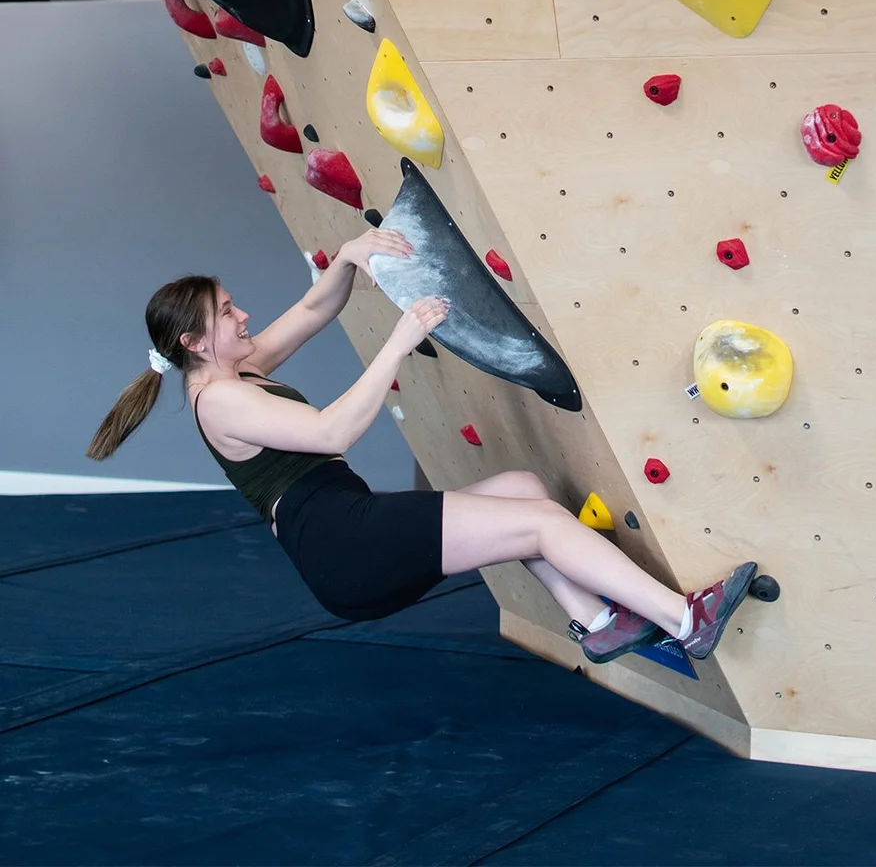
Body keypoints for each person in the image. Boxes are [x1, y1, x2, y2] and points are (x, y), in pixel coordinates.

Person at [87, 227, 757, 664]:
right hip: (344, 547)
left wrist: (349, 256)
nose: (244, 316)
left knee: (522, 489)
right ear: (195, 344)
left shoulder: (237, 368)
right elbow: (332, 433)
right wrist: (399, 341)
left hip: (350, 532)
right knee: (543, 524)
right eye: (228, 314)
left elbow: (315, 310)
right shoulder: (223, 398)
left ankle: (597, 620)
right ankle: (682, 619)